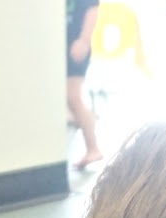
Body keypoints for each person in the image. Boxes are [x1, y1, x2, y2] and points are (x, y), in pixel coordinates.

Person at [67, 0, 104, 169]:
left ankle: (93, 148)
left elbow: (92, 10)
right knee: (70, 100)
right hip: (64, 45)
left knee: (73, 98)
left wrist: (83, 40)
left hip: (75, 46)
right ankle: (79, 125)